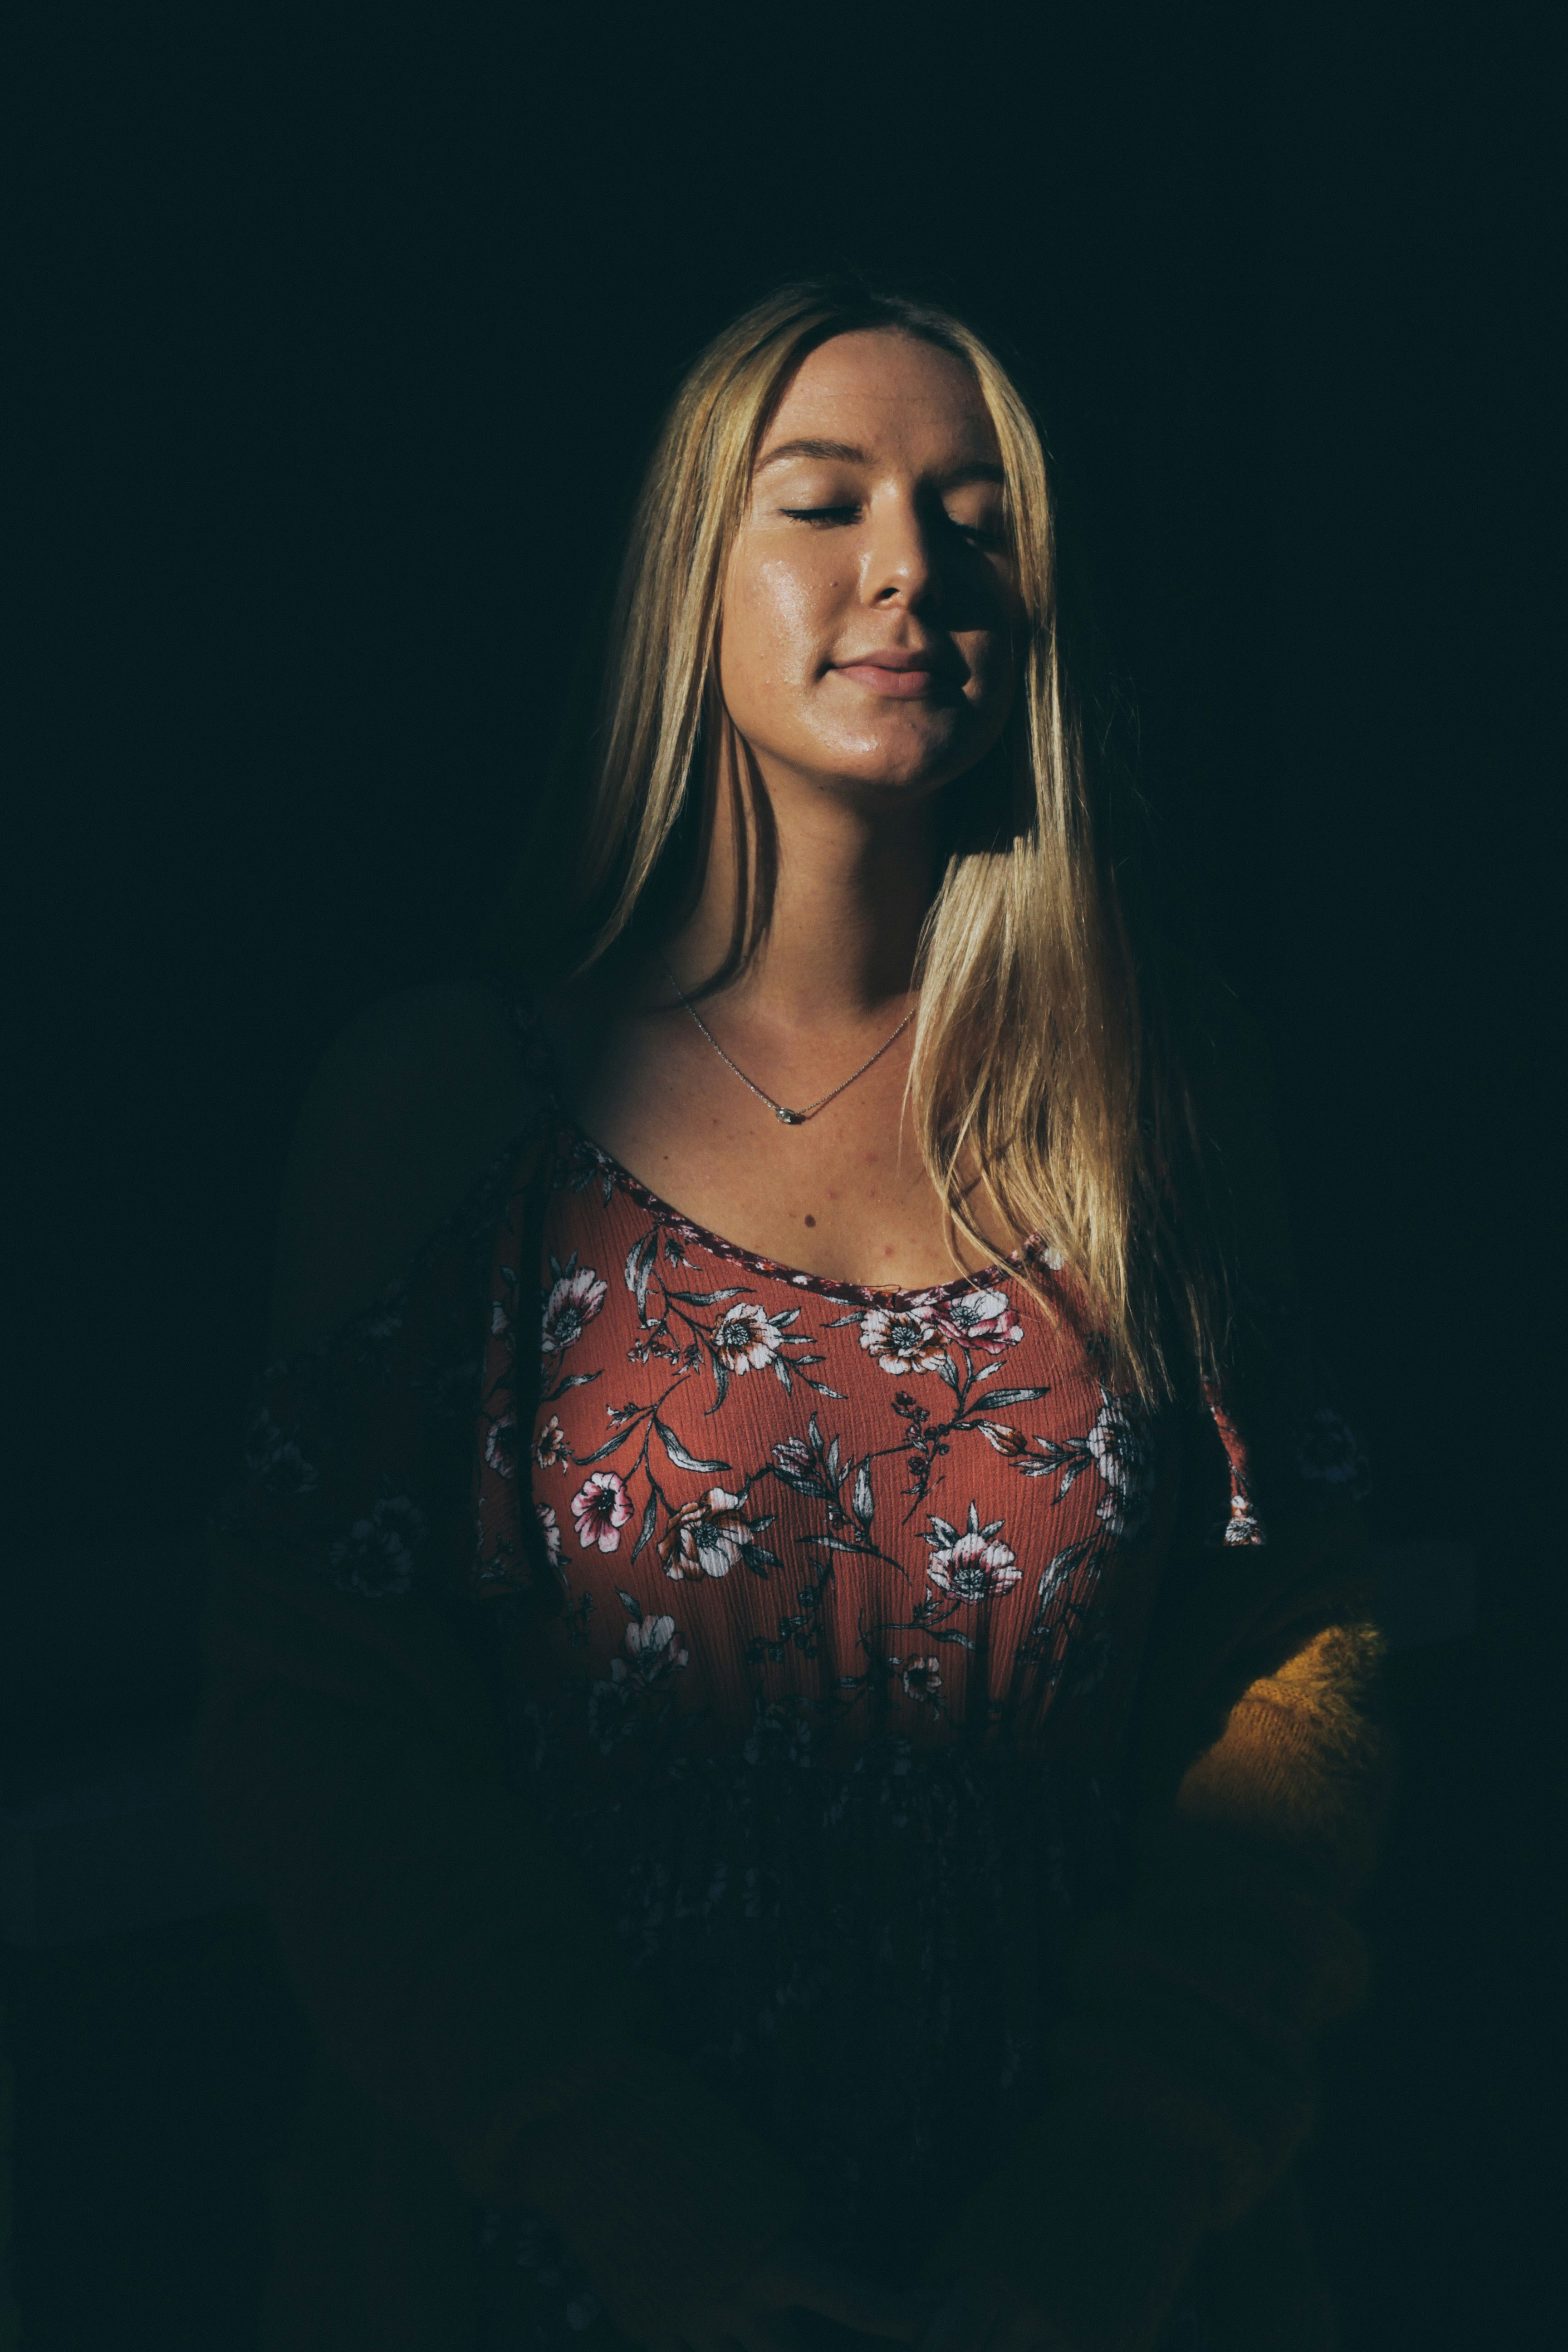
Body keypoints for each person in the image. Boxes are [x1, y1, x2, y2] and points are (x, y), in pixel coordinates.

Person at [198, 281, 1392, 2352]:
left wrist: (1098, 2223)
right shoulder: (451, 1112)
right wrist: (672, 2226)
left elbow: (1283, 1672)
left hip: (1085, 2289)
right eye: (824, 503)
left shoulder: (1147, 1107)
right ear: (696, 581)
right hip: (551, 2278)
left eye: (974, 514)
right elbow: (332, 1745)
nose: (909, 566)